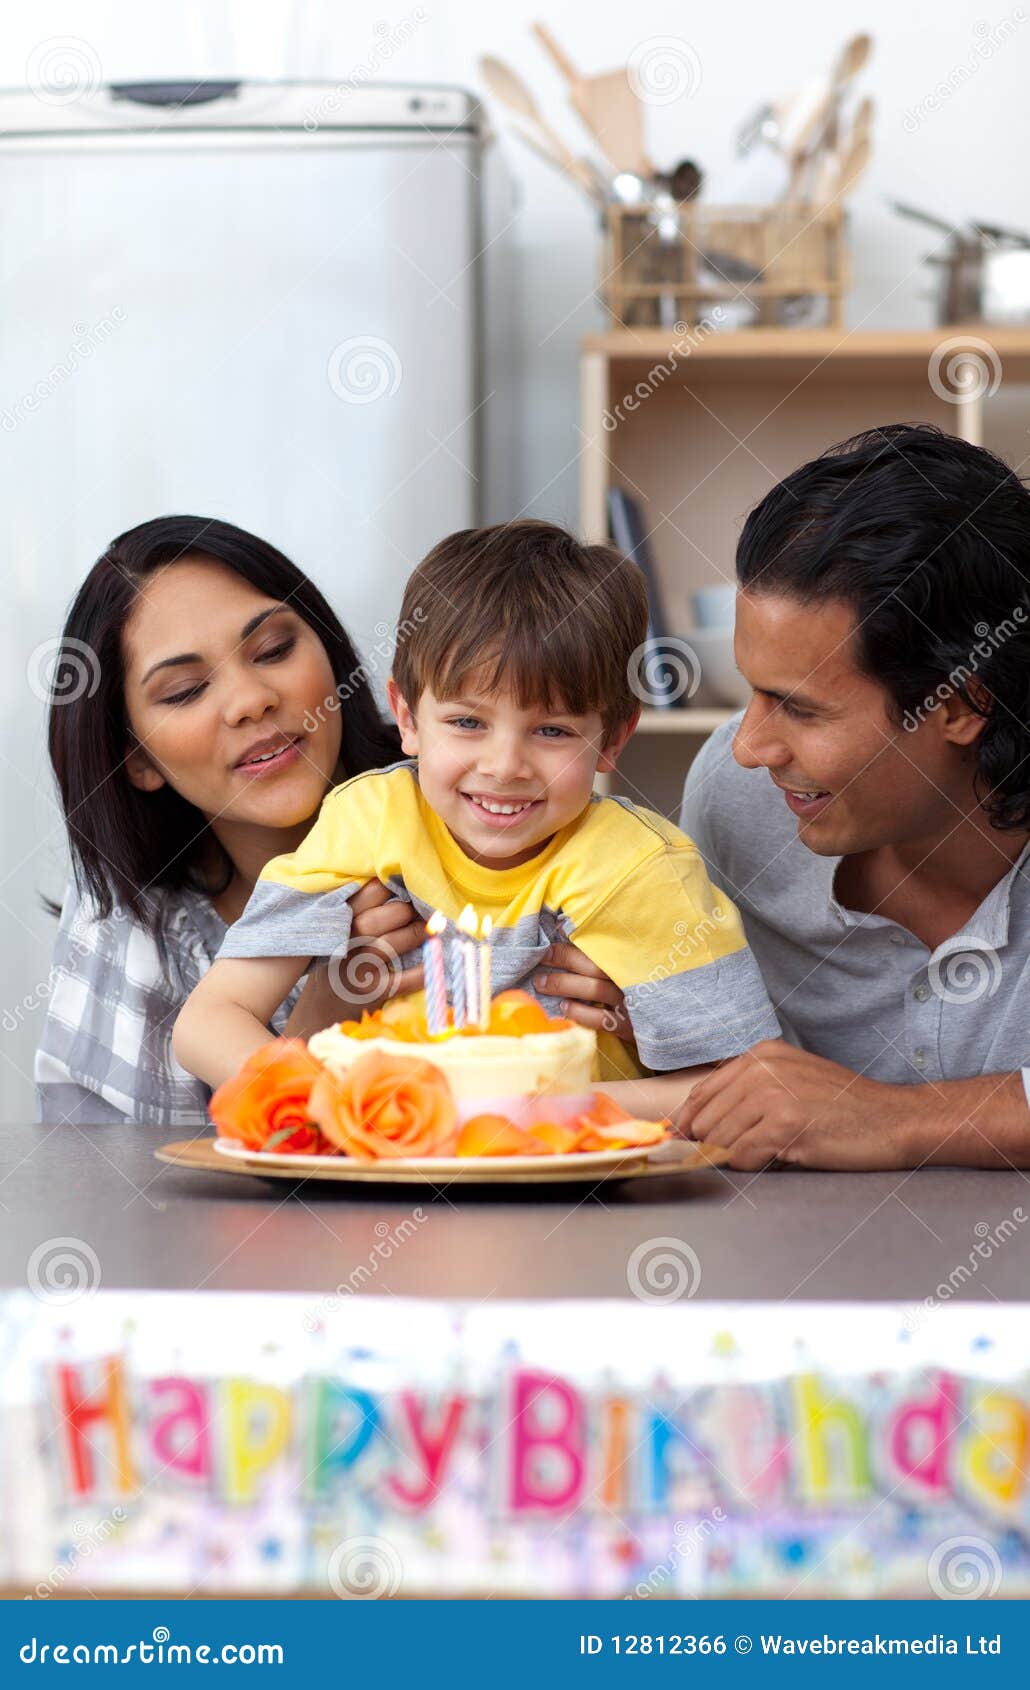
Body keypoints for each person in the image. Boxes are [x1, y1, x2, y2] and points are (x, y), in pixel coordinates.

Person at [173, 520, 781, 1111]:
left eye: (551, 730)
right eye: (467, 722)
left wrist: (518, 1109)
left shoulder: (639, 867)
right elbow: (207, 1024)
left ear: (612, 741)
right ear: (407, 719)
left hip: (578, 1194)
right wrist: (331, 1105)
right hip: (392, 1169)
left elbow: (742, 1088)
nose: (505, 765)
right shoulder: (368, 821)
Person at [678, 424, 1030, 1170]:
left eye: (799, 708)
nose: (749, 748)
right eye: (752, 692)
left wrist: (896, 1120)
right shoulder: (735, 800)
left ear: (961, 705)